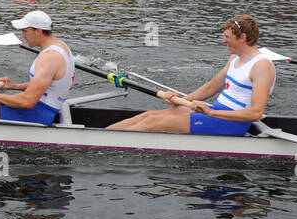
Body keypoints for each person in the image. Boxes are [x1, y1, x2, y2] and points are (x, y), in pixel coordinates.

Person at [107, 15, 275, 135]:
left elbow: (255, 113)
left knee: (153, 123)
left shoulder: (262, 66)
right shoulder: (234, 58)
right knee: (149, 115)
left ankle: (105, 144)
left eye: (227, 37)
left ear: (243, 37)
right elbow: (211, 87)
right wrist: (182, 100)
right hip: (216, 113)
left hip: (232, 124)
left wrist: (211, 113)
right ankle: (103, 135)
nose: (223, 41)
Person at [0, 10, 73, 126]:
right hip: (40, 108)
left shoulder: (50, 57)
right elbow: (49, 85)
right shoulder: (60, 45)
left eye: (25, 31)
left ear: (38, 31)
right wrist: (15, 86)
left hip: (38, 115)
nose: (22, 36)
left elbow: (27, 101)